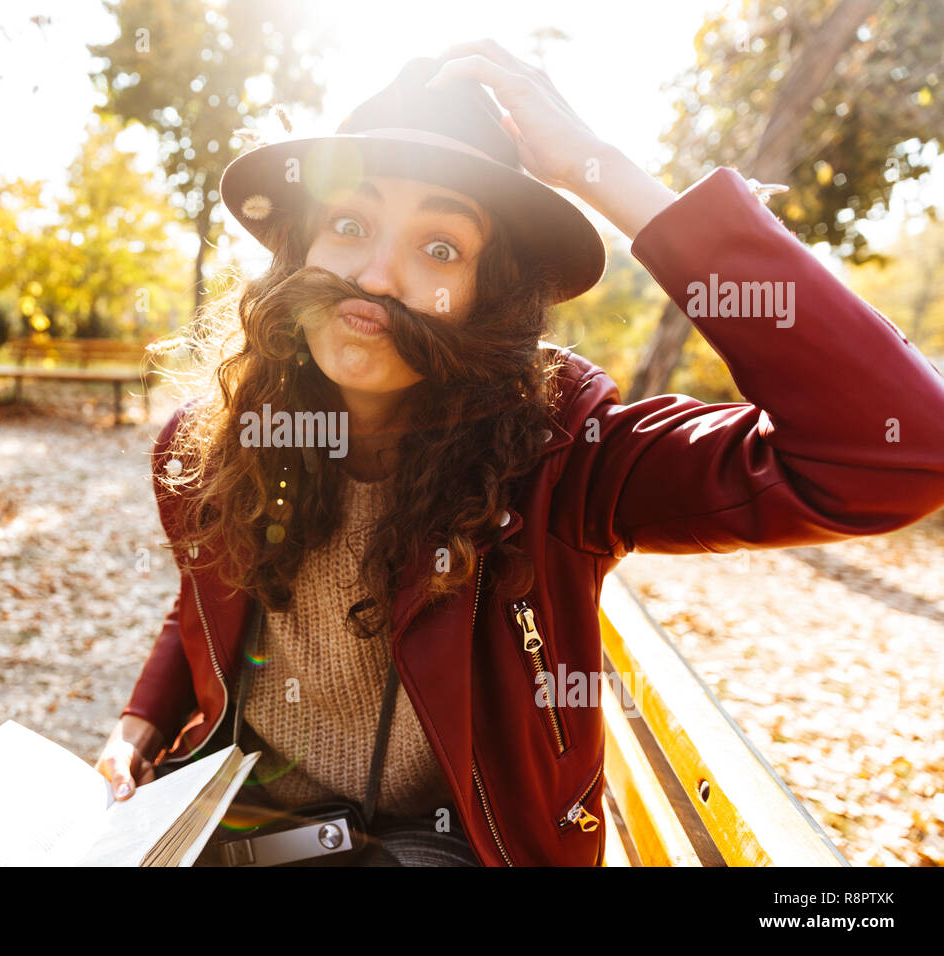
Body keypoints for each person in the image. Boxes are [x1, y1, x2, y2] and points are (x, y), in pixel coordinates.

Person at [94, 42, 944, 866]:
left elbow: (894, 447)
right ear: (299, 250)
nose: (378, 276)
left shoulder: (566, 459)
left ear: (486, 299)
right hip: (254, 822)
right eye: (350, 224)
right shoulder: (210, 446)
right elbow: (205, 597)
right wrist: (142, 719)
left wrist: (596, 170)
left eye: (439, 248)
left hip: (441, 843)